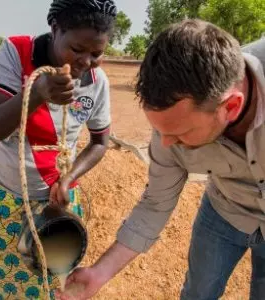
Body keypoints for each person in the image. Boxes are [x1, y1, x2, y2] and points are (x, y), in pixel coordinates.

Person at [60, 19, 265, 300]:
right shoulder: (172, 128)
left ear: (231, 107)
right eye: (160, 131)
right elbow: (156, 203)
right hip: (226, 209)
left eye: (181, 133)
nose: (166, 143)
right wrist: (99, 273)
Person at [0, 0, 117, 298]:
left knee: (56, 283)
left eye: (97, 53)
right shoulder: (17, 53)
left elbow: (100, 142)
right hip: (9, 197)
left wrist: (69, 177)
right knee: (11, 284)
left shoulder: (96, 81)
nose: (85, 62)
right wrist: (36, 93)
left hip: (59, 203)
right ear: (55, 29)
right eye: (77, 50)